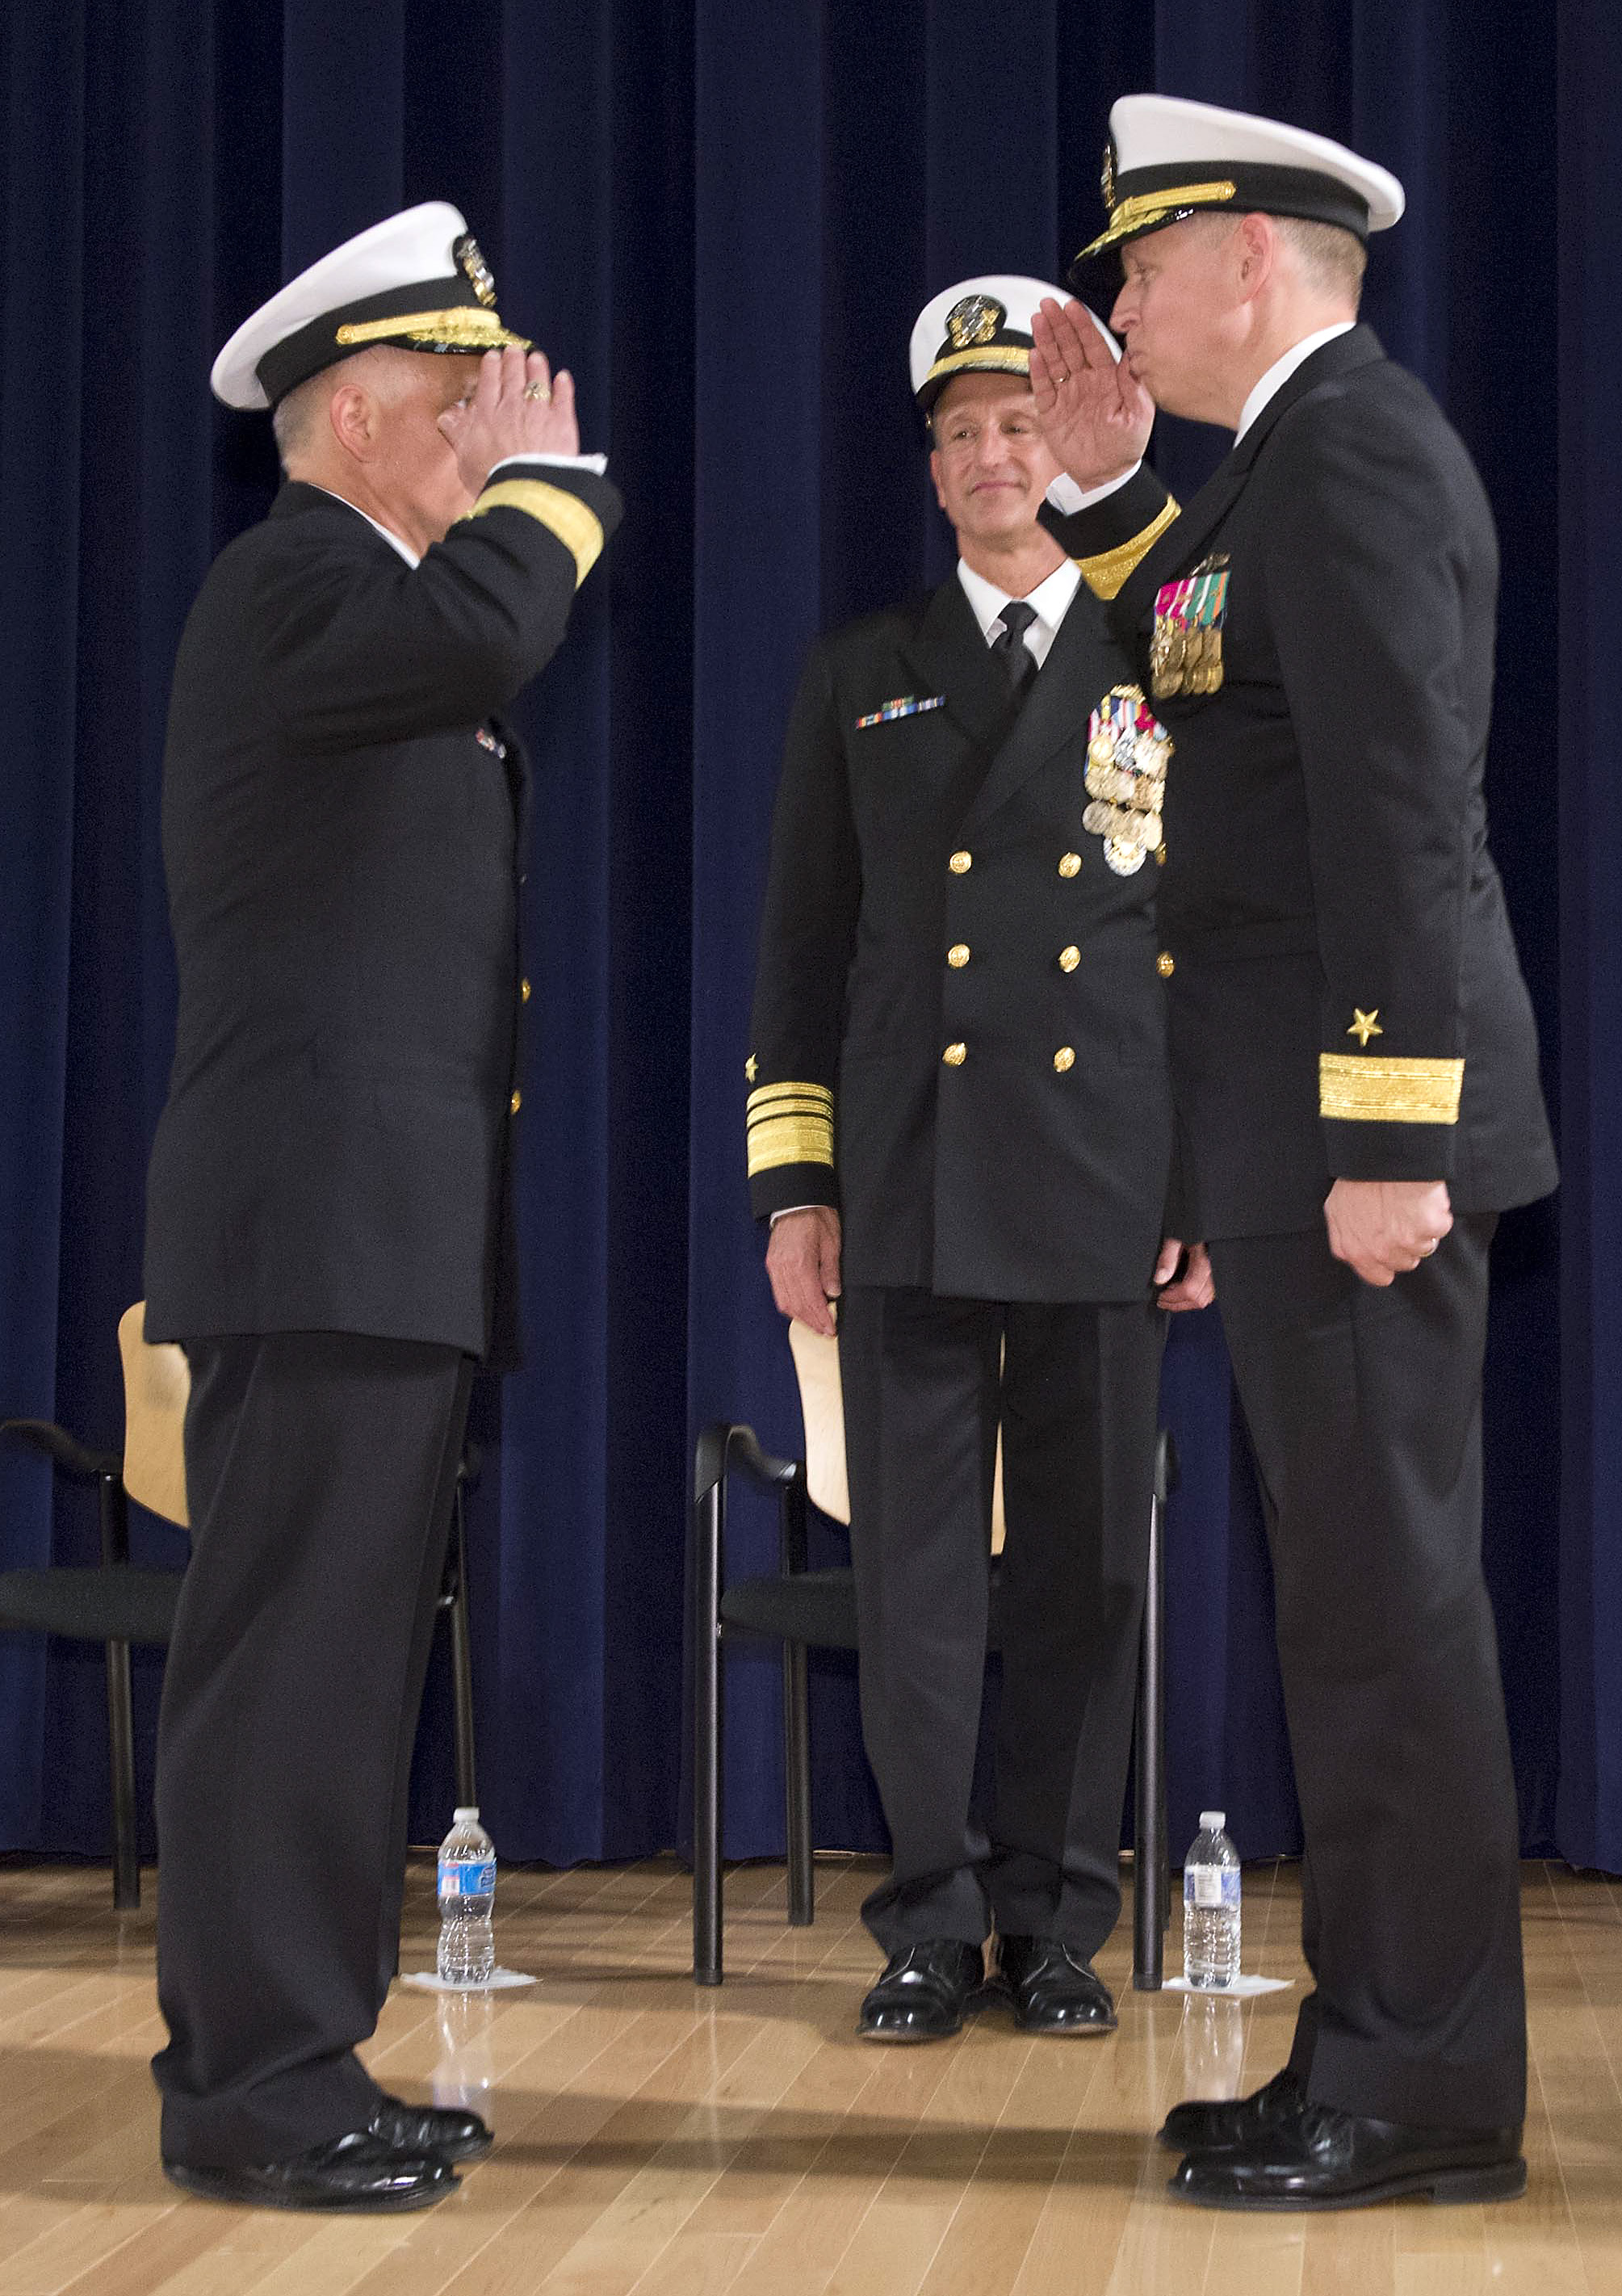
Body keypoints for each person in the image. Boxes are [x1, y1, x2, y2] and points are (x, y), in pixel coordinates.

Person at [1032, 96, 1557, 2209]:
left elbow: (1393, 816)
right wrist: (1103, 504)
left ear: (1246, 254)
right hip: (1289, 1136)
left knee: (1386, 1614)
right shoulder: (1285, 469)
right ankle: (1372, 2039)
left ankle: (1423, 2088)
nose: (1116, 302)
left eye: (1137, 266)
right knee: (1346, 1609)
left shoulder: (1350, 456)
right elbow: (1210, 675)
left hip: (1362, 1139)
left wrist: (1379, 1136)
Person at [141, 203, 621, 2211]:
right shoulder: (293, 587)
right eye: (456, 408)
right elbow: (496, 618)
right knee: (287, 1661)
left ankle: (305, 2053)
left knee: (342, 1669)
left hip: (378, 1224)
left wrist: (501, 489)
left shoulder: (365, 608)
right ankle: (250, 2085)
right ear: (350, 420)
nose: (486, 442)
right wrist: (556, 492)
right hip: (316, 1221)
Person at [747, 275, 1211, 2048]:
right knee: (917, 1580)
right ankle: (930, 1921)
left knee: (1086, 1573)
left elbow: (1215, 933)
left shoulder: (1162, 648)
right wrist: (800, 1191)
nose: (994, 457)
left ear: (1068, 442)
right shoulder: (863, 674)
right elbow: (802, 954)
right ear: (932, 473)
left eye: (1021, 424)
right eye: (962, 437)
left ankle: (1061, 1917)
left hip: (1107, 1175)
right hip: (919, 1176)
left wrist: (1204, 1184)